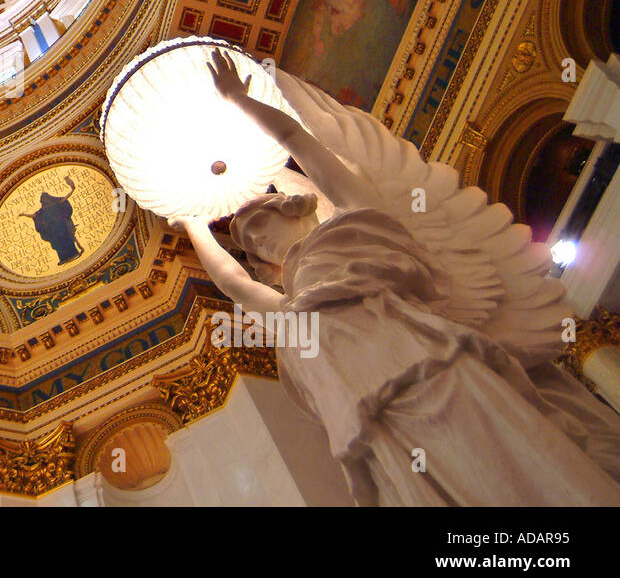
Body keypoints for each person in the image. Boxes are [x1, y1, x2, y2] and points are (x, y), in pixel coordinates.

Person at [179, 49, 620, 505]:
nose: (259, 245)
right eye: (252, 246)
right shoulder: (292, 312)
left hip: (431, 370)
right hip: (370, 418)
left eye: (260, 227)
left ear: (297, 207)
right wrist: (192, 222)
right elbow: (233, 284)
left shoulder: (358, 221)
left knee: (523, 471)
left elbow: (303, 141)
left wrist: (240, 99)